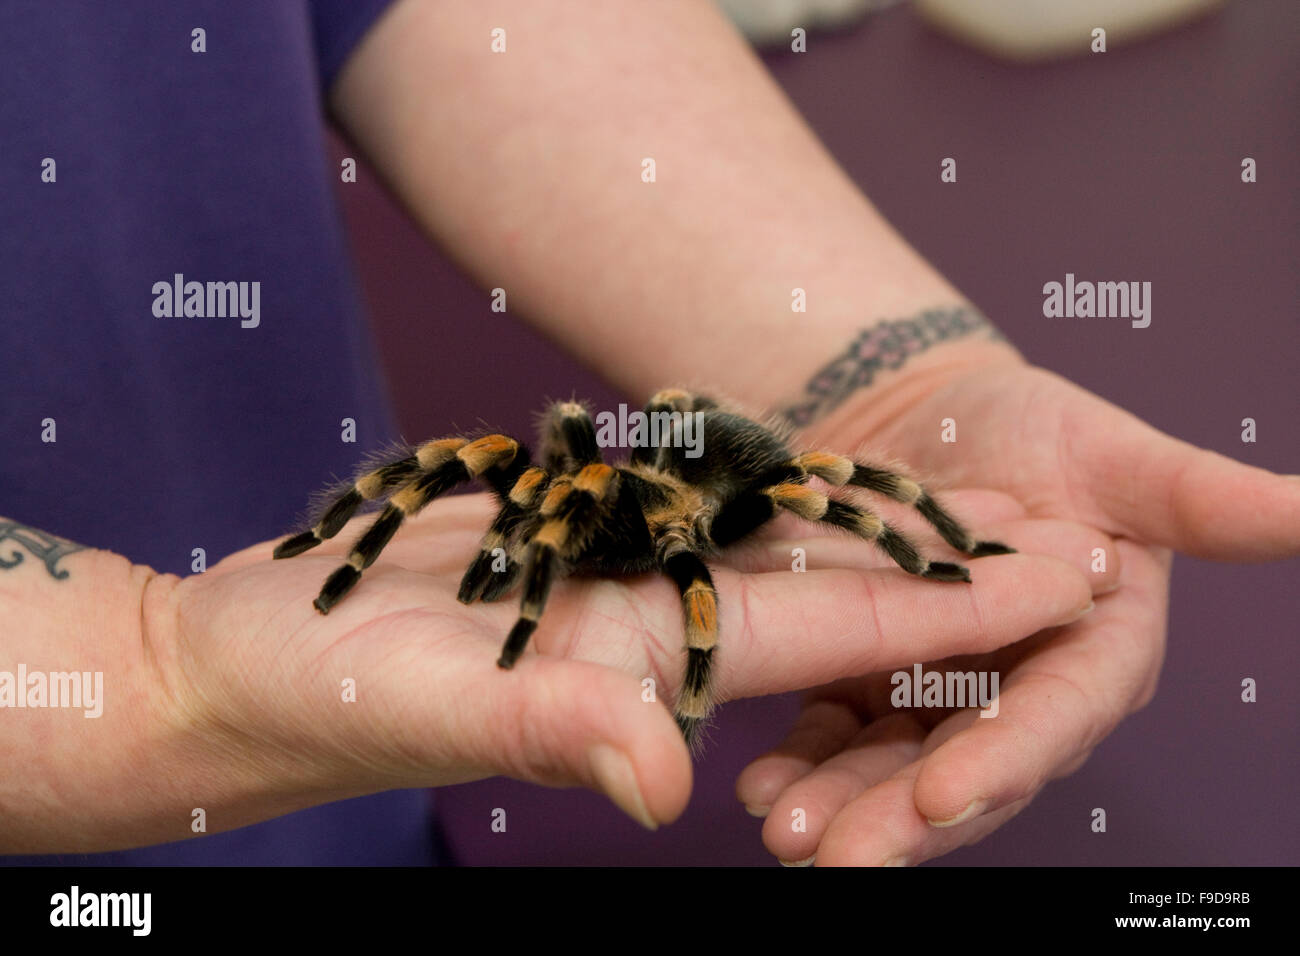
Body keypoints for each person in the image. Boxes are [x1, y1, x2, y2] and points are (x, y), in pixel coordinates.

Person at [2, 0, 1295, 867]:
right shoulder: (561, 505)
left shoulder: (678, 498)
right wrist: (140, 670)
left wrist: (904, 393)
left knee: (769, 481)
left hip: (341, 816)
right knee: (474, 466)